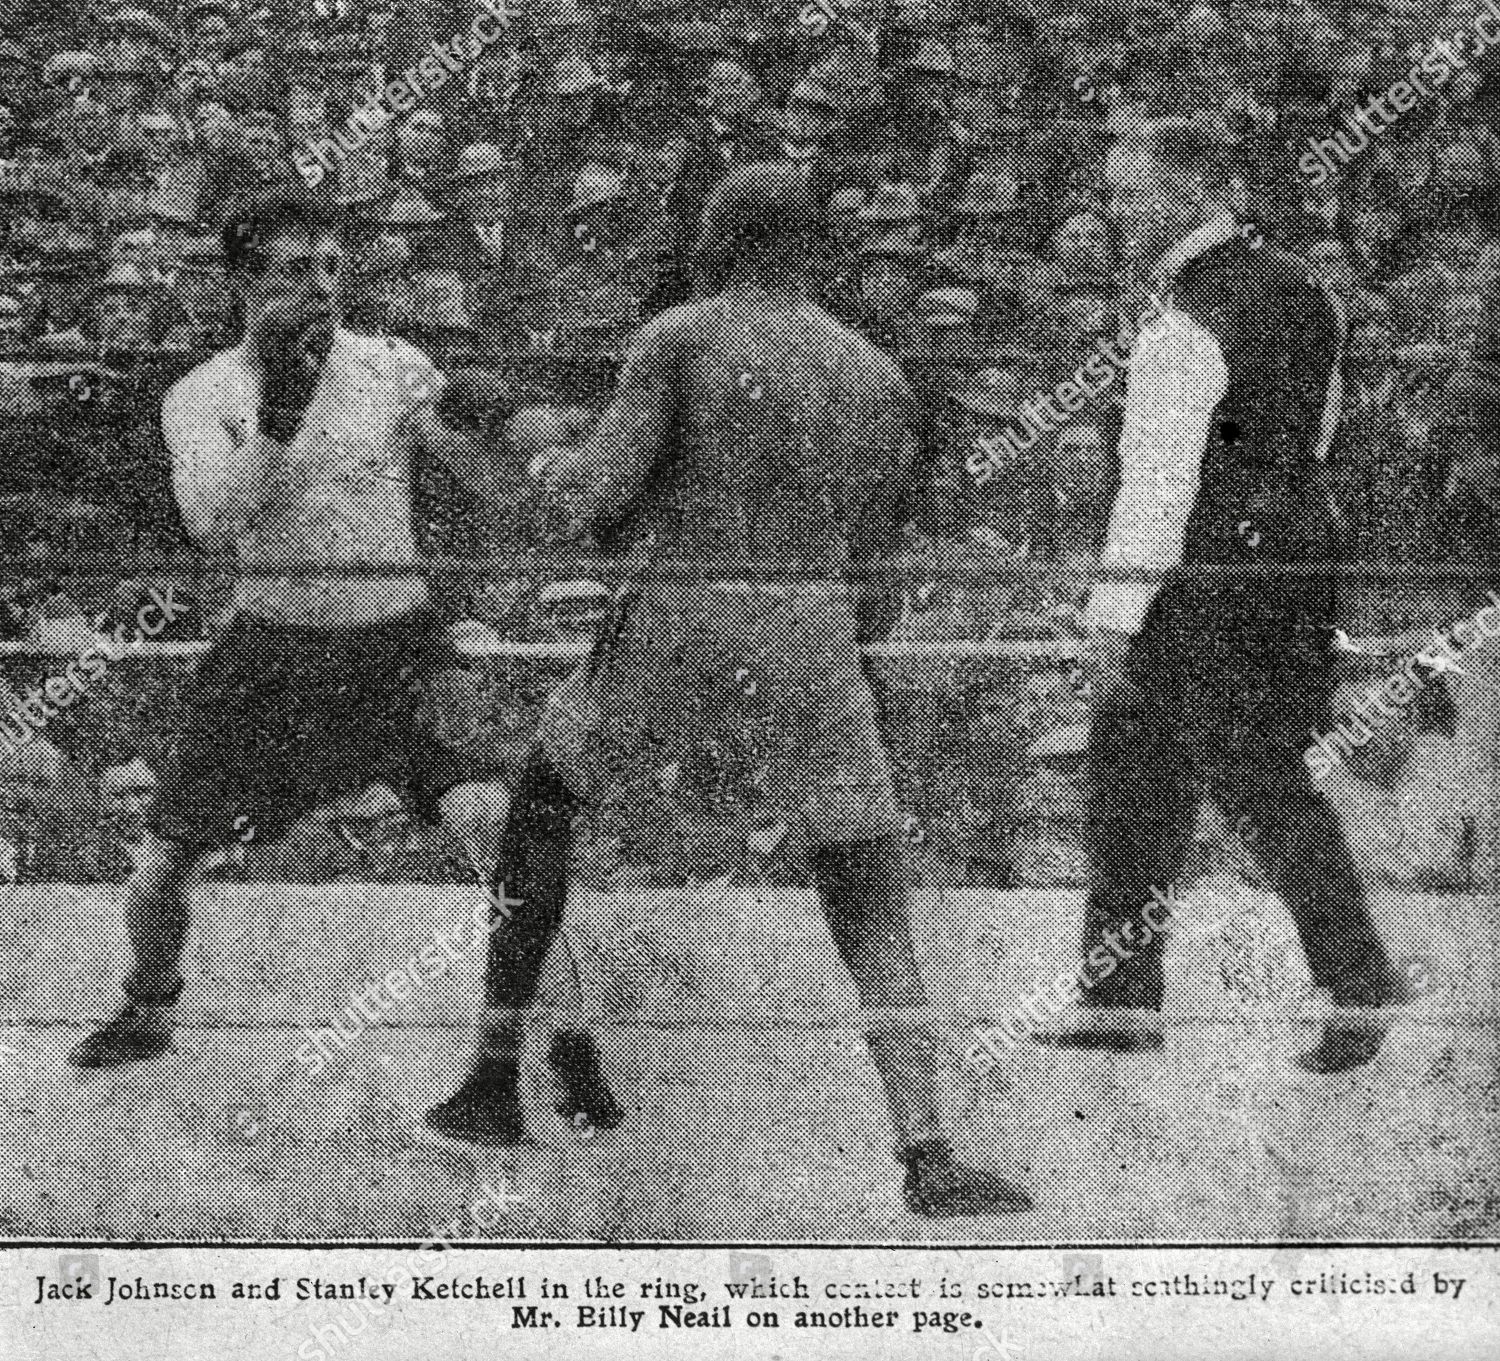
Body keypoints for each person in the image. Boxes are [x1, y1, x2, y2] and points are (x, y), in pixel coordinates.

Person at [425, 162, 1033, 1217]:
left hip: (680, 620)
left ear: (718, 240)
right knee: (869, 896)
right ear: (811, 249)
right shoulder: (879, 376)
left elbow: (594, 496)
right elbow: (877, 577)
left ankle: (489, 1079)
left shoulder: (684, 336)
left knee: (542, 808)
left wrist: (506, 441)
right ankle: (928, 1148)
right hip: (812, 634)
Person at [68, 190, 515, 1069]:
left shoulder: (391, 363)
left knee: (494, 821)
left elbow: (475, 464)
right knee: (162, 863)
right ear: (241, 279)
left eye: (330, 267)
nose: (319, 287)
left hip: (397, 641)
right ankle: (148, 1007)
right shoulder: (204, 392)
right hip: (271, 648)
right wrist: (276, 413)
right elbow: (209, 523)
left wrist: (496, 432)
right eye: (292, 269)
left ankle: (532, 1038)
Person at [1031, 117, 1411, 1074]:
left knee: (1195, 777)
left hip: (1202, 577)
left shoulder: (1185, 317)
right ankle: (1135, 994)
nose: (1114, 211)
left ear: (1193, 191)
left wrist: (1114, 615)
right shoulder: (1303, 289)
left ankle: (1348, 978)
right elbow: (1318, 433)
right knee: (1207, 775)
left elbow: (1157, 479)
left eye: (1132, 191)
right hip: (1290, 560)